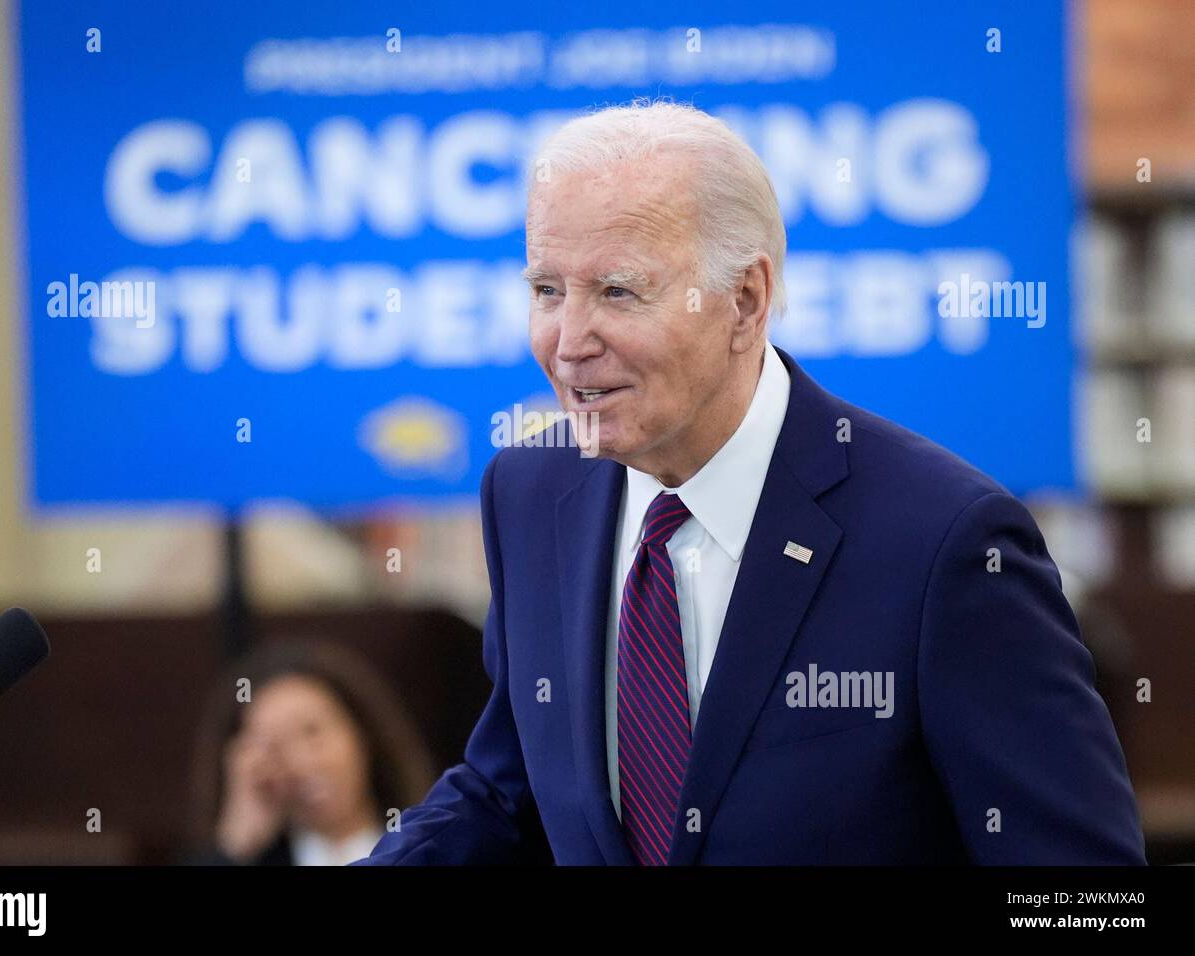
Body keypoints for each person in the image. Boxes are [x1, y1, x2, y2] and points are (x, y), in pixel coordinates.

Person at [355, 98, 1147, 865]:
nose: (567, 343)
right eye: (546, 291)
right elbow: (509, 793)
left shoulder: (946, 541)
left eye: (618, 292)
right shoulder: (528, 495)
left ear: (746, 299)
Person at [187, 640, 434, 865]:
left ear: (362, 732)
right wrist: (236, 842)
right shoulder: (253, 859)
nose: (301, 762)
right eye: (275, 747)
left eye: (312, 732)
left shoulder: (434, 843)